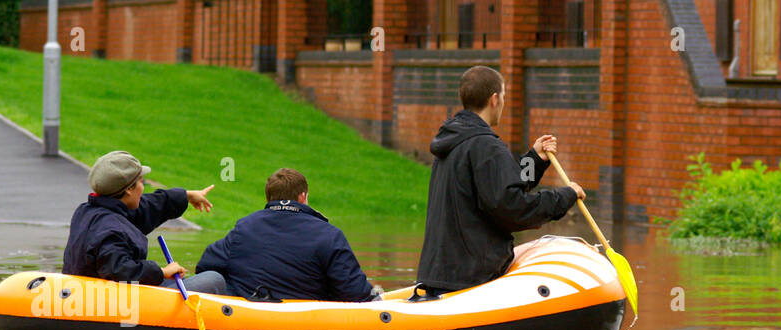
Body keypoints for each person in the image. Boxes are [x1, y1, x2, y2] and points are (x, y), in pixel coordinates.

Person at [415, 65, 586, 295]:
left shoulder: (454, 141)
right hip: (471, 279)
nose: (504, 102)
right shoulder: (485, 146)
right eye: (504, 95)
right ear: (494, 99)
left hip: (440, 275)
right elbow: (513, 208)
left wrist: (534, 159)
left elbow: (501, 187)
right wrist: (565, 196)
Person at [196, 168, 377, 302]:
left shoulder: (243, 228)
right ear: (302, 197)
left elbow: (205, 268)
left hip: (249, 315)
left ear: (268, 198)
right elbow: (356, 293)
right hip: (308, 322)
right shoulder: (329, 235)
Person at [63, 150, 226, 294]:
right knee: (213, 280)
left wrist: (186, 196)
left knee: (178, 282)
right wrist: (161, 272)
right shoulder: (111, 229)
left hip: (99, 294)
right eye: (142, 182)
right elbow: (119, 270)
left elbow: (149, 206)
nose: (144, 188)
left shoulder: (88, 211)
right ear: (128, 189)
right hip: (112, 305)